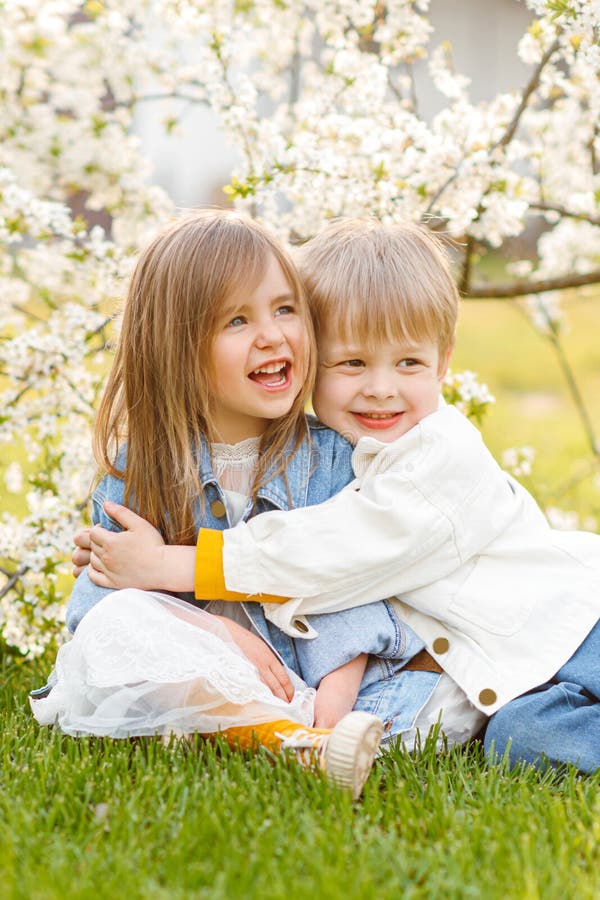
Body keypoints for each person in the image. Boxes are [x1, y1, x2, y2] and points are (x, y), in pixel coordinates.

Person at [79, 218, 600, 773]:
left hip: (580, 625)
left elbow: (331, 554)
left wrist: (166, 564)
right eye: (351, 362)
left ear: (444, 361)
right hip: (516, 671)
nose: (380, 387)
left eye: (409, 363)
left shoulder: (440, 458)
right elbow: (99, 610)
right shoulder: (328, 453)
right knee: (524, 743)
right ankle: (251, 733)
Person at [31, 210, 467, 799]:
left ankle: (282, 735)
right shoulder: (137, 468)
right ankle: (278, 740)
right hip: (206, 666)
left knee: (449, 691)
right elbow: (97, 613)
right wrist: (220, 635)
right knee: (117, 627)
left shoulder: (334, 460)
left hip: (309, 681)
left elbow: (350, 591)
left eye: (286, 308)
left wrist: (334, 706)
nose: (272, 334)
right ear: (177, 346)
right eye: (237, 319)